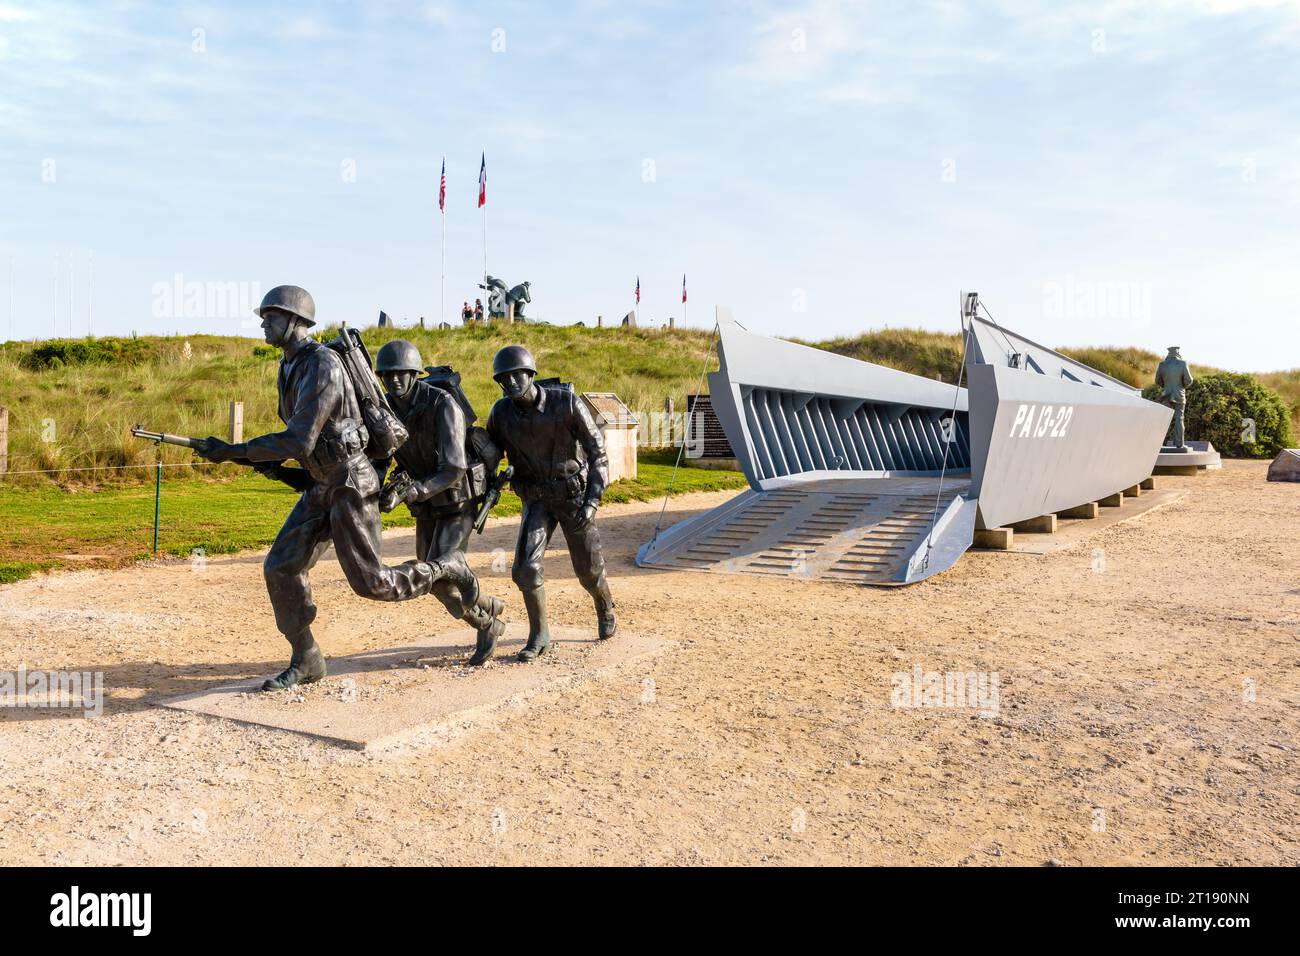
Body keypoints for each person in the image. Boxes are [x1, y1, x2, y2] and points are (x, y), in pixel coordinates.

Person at [198, 285, 451, 691]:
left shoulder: (323, 365)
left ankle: (442, 568)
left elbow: (299, 440)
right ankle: (307, 658)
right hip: (321, 482)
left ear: (295, 320)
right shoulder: (288, 366)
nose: (263, 322)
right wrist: (239, 454)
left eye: (271, 316)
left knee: (373, 584)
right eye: (264, 316)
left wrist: (235, 451)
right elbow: (295, 440)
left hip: (351, 480)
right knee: (281, 566)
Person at [374, 340, 506, 666]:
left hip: (457, 499)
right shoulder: (385, 408)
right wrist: (384, 487)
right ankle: (487, 604)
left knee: (439, 577)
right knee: (429, 579)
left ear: (415, 373)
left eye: (401, 374)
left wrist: (414, 490)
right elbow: (382, 454)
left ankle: (488, 625)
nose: (394, 382)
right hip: (426, 506)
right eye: (387, 376)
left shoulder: (442, 404)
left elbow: (453, 467)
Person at [486, 345, 616, 662]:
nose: (511, 382)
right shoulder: (501, 414)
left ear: (531, 374)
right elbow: (489, 456)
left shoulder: (566, 403)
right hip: (536, 499)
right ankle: (540, 634)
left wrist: (592, 503)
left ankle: (604, 605)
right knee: (525, 568)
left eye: (517, 375)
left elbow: (598, 455)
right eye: (504, 378)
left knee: (588, 570)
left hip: (573, 496)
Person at [1154, 346, 1194, 450]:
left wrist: (1166, 387)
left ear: (1169, 353)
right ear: (1178, 352)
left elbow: (1157, 380)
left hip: (1166, 395)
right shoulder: (1183, 363)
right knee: (1179, 418)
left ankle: (1159, 444)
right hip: (1179, 395)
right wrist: (1181, 386)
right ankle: (1180, 445)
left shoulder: (1162, 365)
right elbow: (1189, 380)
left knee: (1164, 419)